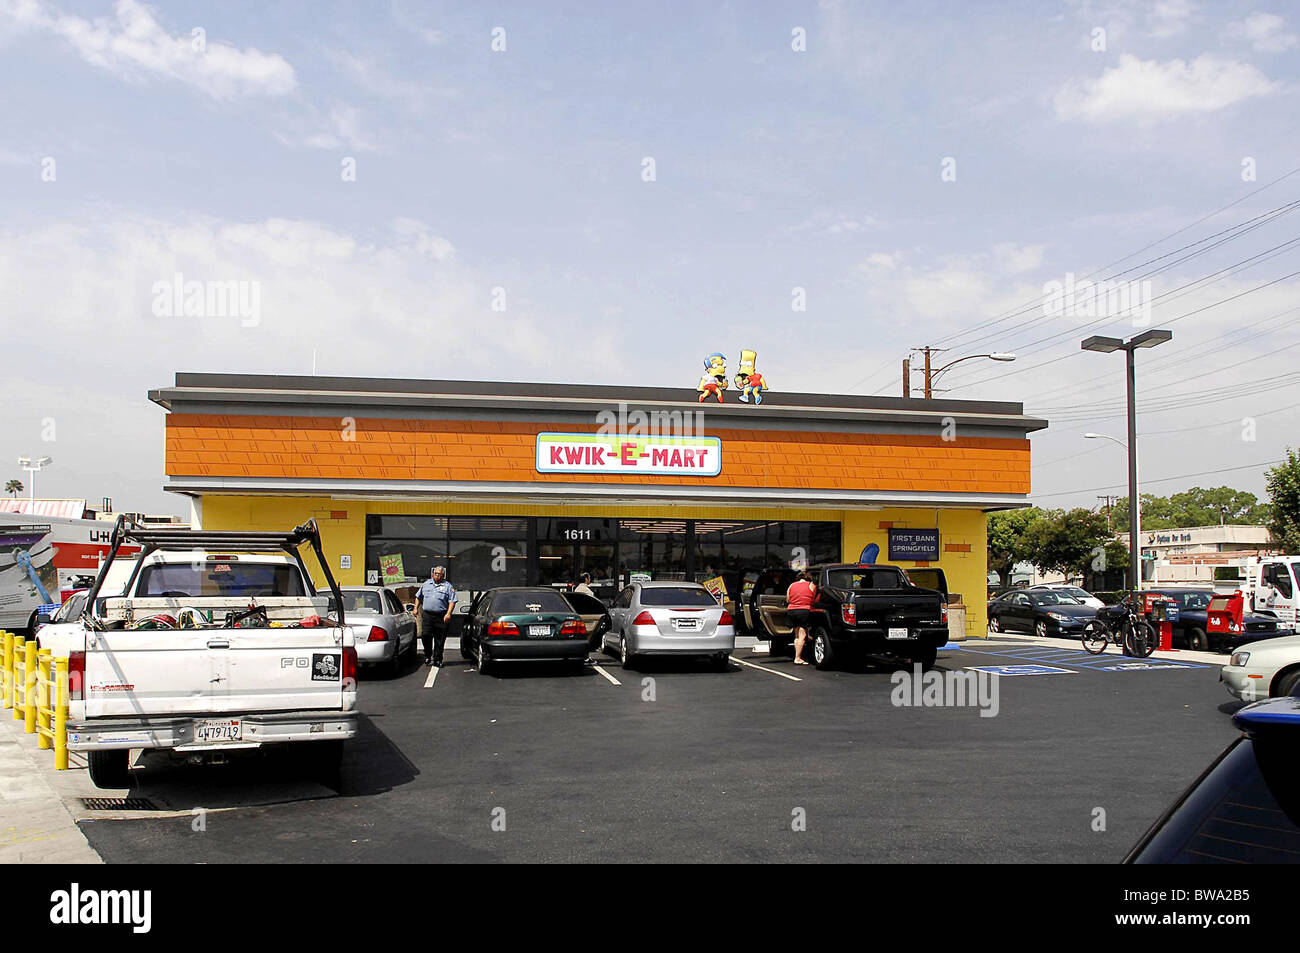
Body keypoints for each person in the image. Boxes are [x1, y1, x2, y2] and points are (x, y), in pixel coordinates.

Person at [415, 565, 456, 667]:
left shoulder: (448, 586)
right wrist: (415, 608)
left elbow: (452, 601)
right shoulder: (426, 584)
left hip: (441, 616)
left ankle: (437, 659)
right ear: (433, 574)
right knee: (425, 635)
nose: (437, 576)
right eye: (436, 574)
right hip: (427, 615)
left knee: (440, 639)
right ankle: (428, 655)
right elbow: (418, 597)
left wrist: (448, 613)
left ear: (443, 575)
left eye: (440, 574)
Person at [786, 570, 817, 665]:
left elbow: (788, 599)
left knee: (797, 635)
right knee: (802, 636)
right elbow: (814, 599)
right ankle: (797, 658)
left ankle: (797, 656)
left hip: (791, 611)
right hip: (804, 611)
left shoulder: (791, 585)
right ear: (809, 578)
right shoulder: (811, 585)